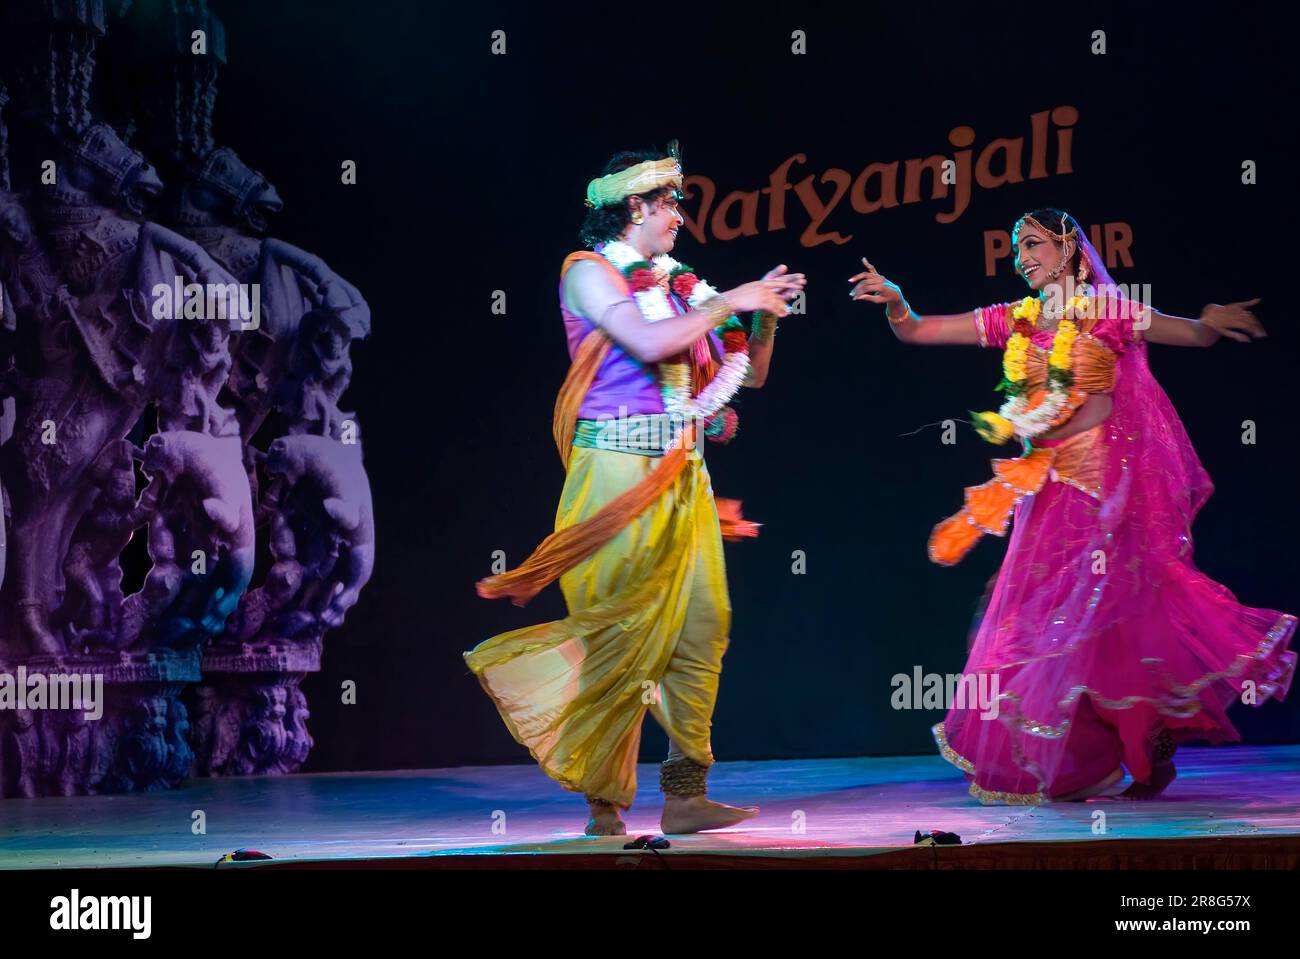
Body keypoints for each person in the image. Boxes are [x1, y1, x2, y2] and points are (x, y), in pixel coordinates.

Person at [851, 208, 1296, 803]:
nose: (1022, 256)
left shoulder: (1110, 312)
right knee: (1044, 622)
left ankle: (1148, 739)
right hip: (1045, 490)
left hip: (1105, 489)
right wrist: (898, 303)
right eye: (1015, 247)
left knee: (1112, 614)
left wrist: (1209, 322)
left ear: (1068, 249)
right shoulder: (1017, 318)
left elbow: (1186, 333)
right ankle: (1091, 755)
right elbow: (920, 332)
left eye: (1033, 244)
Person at [467, 147, 804, 834]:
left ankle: (684, 792)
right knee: (620, 633)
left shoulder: (681, 284)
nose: (680, 217)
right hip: (615, 476)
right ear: (635, 208)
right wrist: (731, 300)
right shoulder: (587, 274)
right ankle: (604, 805)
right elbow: (647, 343)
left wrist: (763, 316)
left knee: (703, 627)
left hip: (684, 477)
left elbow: (752, 374)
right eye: (671, 204)